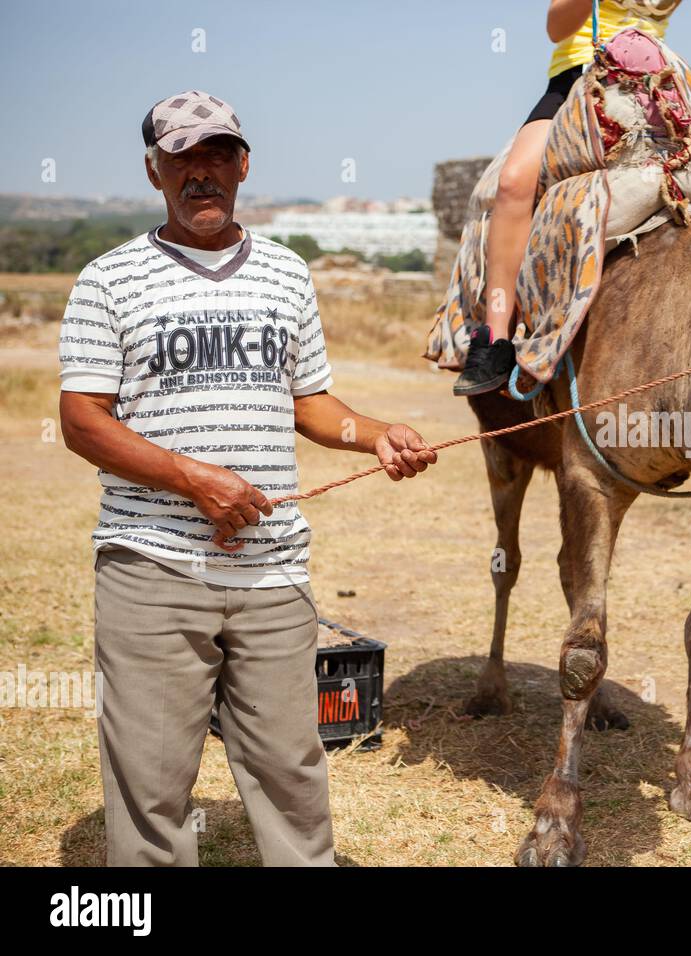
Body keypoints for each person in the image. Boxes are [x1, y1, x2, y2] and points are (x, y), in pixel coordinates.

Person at [58, 90, 437, 866]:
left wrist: (374, 436)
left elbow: (309, 401)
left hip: (272, 572)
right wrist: (192, 479)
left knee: (291, 772)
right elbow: (81, 420)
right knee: (153, 781)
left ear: (244, 165)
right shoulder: (110, 279)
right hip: (152, 566)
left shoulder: (286, 274)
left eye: (218, 155)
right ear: (154, 171)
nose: (202, 174)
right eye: (183, 158)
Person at [452, 0, 686, 396]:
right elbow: (557, 28)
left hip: (655, 82)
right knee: (513, 183)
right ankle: (495, 335)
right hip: (579, 77)